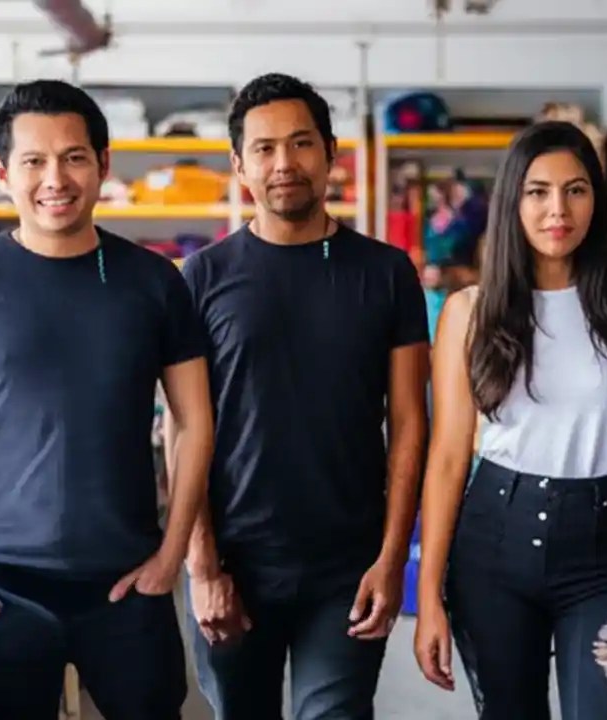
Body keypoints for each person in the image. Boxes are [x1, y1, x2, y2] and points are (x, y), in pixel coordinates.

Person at [0, 79, 214, 720]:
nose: (54, 178)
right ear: (3, 171)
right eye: (34, 161)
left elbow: (195, 420)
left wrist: (172, 554)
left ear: (103, 165)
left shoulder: (154, 282)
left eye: (73, 157)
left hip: (126, 580)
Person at [169, 72, 430, 719]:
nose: (284, 164)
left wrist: (393, 558)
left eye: (301, 144)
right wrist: (202, 567)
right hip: (235, 561)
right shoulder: (202, 277)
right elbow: (181, 428)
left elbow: (409, 423)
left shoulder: (386, 273)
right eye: (264, 148)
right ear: (238, 165)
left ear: (330, 153)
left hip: (347, 564)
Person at [412, 120, 607, 720]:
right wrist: (427, 593)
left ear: (597, 199)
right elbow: (449, 459)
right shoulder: (469, 312)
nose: (556, 209)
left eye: (575, 189)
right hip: (493, 552)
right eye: (537, 191)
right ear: (513, 201)